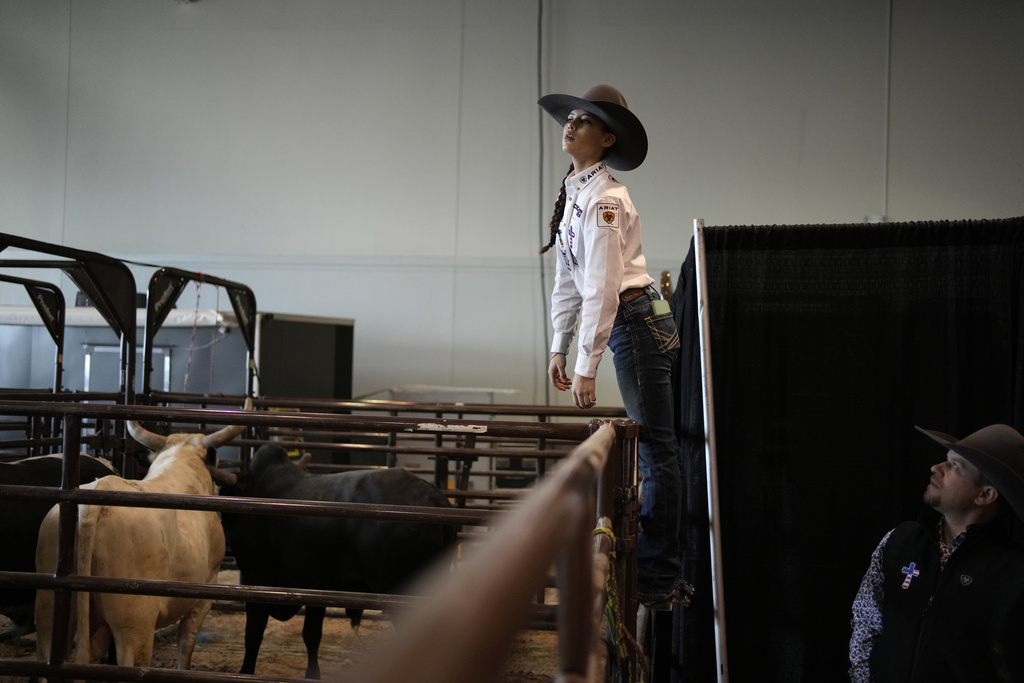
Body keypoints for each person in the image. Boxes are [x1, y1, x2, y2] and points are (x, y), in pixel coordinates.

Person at [537, 84, 687, 609]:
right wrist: (559, 344)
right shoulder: (576, 191)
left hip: (634, 320)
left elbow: (601, 286)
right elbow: (568, 278)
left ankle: (657, 575)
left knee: (656, 447)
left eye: (584, 122)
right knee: (655, 446)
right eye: (570, 119)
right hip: (630, 321)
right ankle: (656, 568)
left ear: (606, 139)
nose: (570, 126)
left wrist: (585, 366)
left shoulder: (604, 199)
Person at [849, 423, 1024, 682]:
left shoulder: (1013, 574)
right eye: (946, 460)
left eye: (955, 466)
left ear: (985, 494)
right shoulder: (899, 541)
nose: (936, 468)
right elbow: (866, 622)